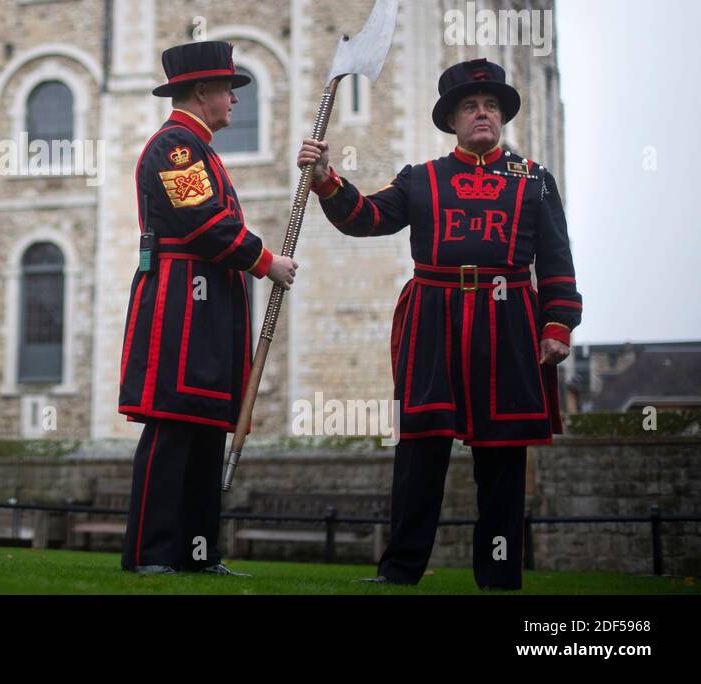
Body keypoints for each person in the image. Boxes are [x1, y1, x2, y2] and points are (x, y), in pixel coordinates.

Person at [296, 57, 581, 590]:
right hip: (433, 319)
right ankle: (400, 571)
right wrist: (325, 180)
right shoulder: (421, 179)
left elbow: (558, 263)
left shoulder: (535, 180)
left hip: (509, 321)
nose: (483, 114)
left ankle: (498, 575)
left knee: (502, 457)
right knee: (420, 452)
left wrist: (558, 325)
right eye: (471, 106)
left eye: (491, 106)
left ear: (502, 117)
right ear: (451, 120)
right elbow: (367, 218)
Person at [118, 40, 298, 576]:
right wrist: (266, 261)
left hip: (207, 299)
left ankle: (197, 554)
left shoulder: (199, 149)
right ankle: (151, 554)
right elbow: (202, 222)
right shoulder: (176, 148)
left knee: (204, 426)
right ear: (202, 92)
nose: (235, 102)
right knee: (174, 425)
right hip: (179, 300)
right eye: (228, 91)